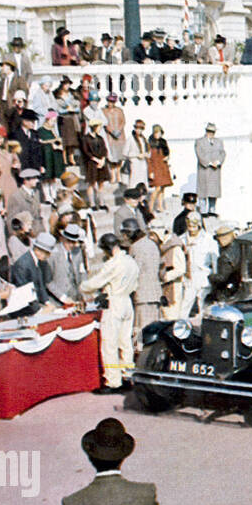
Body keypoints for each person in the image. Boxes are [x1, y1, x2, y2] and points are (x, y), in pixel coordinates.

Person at [81, 233, 140, 393]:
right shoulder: (131, 261)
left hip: (114, 302)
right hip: (127, 301)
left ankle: (113, 381)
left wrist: (83, 287)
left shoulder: (113, 264)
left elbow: (95, 283)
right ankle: (127, 375)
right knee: (126, 342)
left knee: (109, 344)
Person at [10, 232, 56, 315]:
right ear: (40, 251)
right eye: (48, 253)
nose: (48, 257)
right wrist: (40, 311)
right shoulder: (23, 264)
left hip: (35, 306)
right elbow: (24, 292)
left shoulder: (38, 262)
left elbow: (40, 285)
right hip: (24, 311)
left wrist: (47, 302)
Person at [47, 224, 88, 308]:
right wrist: (63, 298)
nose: (71, 245)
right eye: (69, 242)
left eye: (74, 242)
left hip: (75, 298)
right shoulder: (53, 254)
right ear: (63, 238)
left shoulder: (78, 252)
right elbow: (47, 281)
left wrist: (84, 292)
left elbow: (82, 273)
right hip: (58, 301)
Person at [206, 222, 244, 302]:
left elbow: (222, 278)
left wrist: (210, 277)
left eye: (218, 239)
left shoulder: (225, 257)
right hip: (241, 284)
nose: (218, 241)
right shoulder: (242, 245)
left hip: (229, 291)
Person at [194, 124, 225, 215]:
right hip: (204, 170)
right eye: (209, 131)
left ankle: (212, 211)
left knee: (213, 192)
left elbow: (223, 153)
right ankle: (203, 211)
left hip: (215, 171)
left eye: (213, 132)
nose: (211, 133)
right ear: (206, 131)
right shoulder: (199, 141)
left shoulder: (219, 142)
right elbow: (199, 155)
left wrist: (218, 162)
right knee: (203, 192)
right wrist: (210, 163)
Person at [158, 229, 188, 320]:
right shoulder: (161, 246)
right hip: (162, 288)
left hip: (173, 287)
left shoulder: (175, 248)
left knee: (171, 316)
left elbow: (181, 269)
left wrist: (165, 277)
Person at [147, 125, 173, 213]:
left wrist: (167, 157)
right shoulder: (150, 143)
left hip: (163, 166)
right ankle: (150, 206)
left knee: (162, 188)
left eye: (159, 133)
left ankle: (160, 206)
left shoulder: (163, 142)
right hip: (155, 168)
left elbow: (167, 153)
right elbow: (149, 159)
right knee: (157, 188)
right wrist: (150, 171)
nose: (157, 134)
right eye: (156, 133)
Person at [102, 94, 126, 184]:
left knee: (119, 155)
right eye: (109, 101)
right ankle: (112, 174)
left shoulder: (119, 110)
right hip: (109, 136)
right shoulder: (104, 111)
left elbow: (123, 121)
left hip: (119, 136)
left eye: (112, 101)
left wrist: (119, 130)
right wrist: (111, 131)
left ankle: (118, 173)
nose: (110, 103)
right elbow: (104, 123)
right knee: (111, 155)